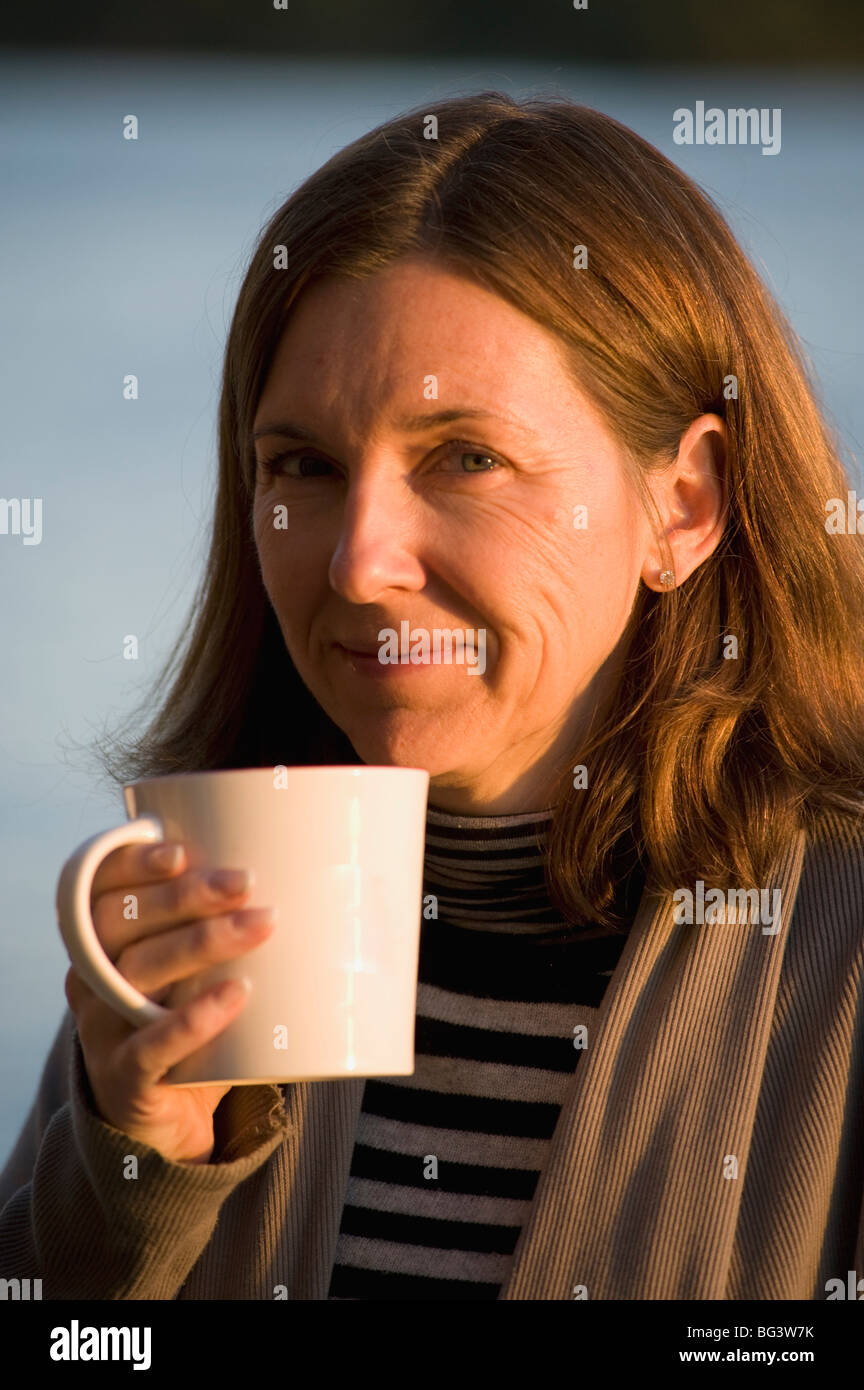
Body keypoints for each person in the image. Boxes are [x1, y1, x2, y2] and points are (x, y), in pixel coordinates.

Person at [2, 91, 863, 1301]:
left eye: (467, 457)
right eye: (303, 464)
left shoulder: (835, 958)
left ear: (685, 505)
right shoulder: (208, 901)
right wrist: (135, 1170)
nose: (358, 560)